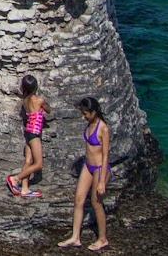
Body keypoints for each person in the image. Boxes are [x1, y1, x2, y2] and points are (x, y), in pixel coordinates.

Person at [59, 97, 111, 251]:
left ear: (93, 112)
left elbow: (106, 155)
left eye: (86, 114)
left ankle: (102, 239)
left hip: (100, 168)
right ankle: (75, 237)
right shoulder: (89, 124)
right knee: (78, 199)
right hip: (88, 166)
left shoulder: (103, 129)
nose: (84, 116)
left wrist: (102, 181)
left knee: (96, 203)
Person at [7, 74, 48, 197]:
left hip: (28, 132)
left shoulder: (24, 101)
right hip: (35, 134)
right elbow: (48, 110)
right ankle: (15, 178)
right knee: (38, 163)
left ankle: (25, 189)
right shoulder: (39, 100)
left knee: (28, 160)